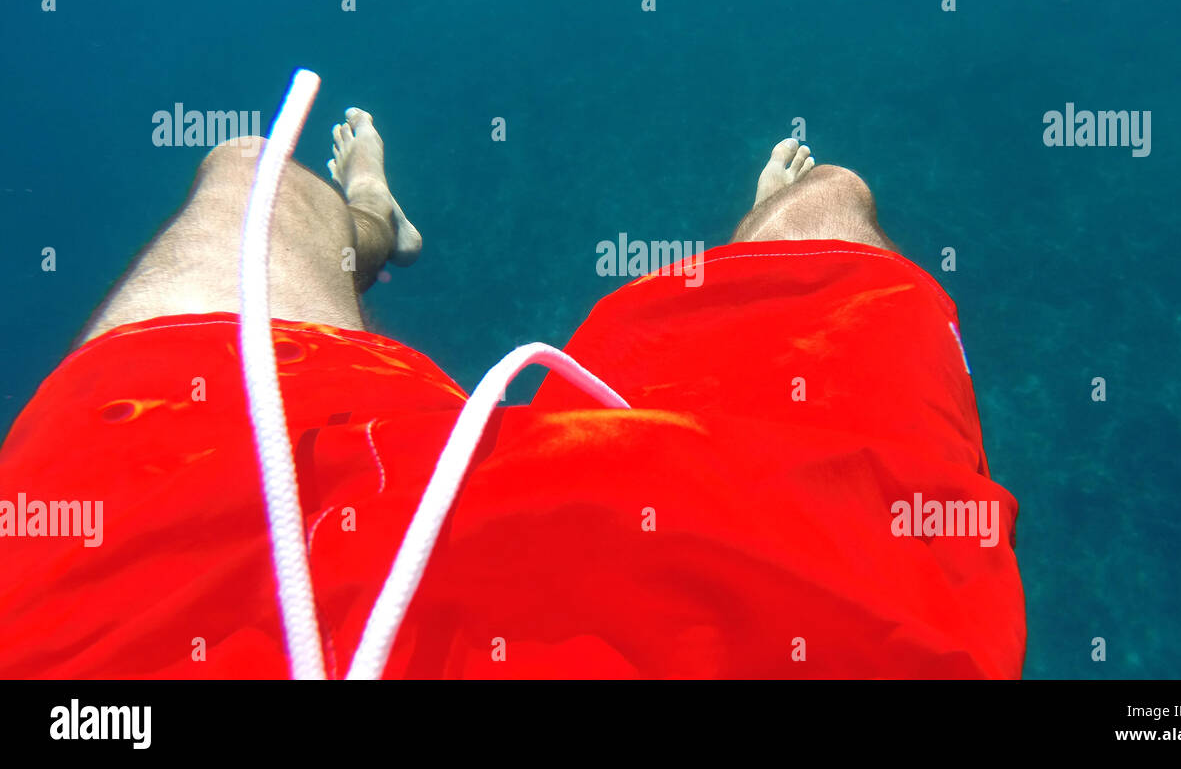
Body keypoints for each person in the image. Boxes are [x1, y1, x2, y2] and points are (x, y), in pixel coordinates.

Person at [0, 109, 1025, 678]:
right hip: (796, 592)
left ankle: (369, 219)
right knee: (831, 201)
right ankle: (763, 241)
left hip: (182, 606)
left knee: (250, 177)